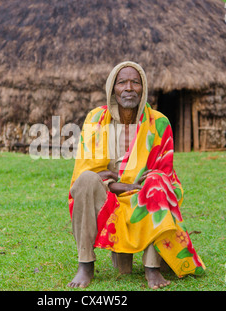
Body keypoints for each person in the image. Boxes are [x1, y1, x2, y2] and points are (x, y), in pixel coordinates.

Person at [67, 61, 205, 289]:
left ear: (144, 88)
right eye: (122, 82)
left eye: (135, 82)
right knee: (85, 181)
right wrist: (114, 184)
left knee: (158, 182)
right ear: (113, 88)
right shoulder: (95, 119)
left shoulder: (159, 123)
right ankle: (85, 265)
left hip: (144, 196)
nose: (129, 88)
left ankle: (153, 269)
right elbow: (86, 170)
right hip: (106, 196)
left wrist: (136, 185)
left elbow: (164, 170)